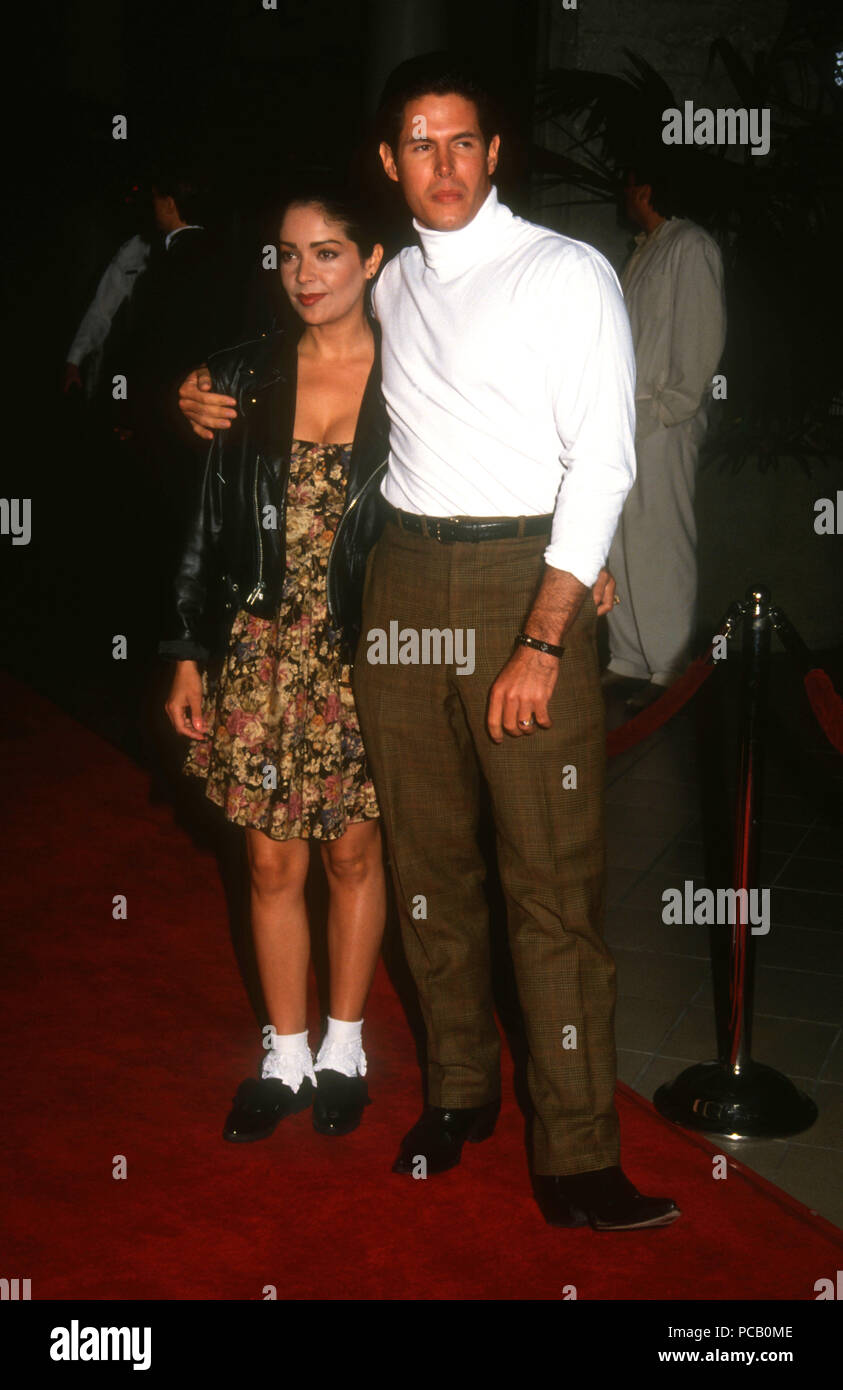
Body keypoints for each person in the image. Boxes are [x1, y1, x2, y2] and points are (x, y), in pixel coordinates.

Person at [178, 56, 680, 1233]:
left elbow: (604, 460)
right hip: (400, 574)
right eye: (419, 142)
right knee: (427, 869)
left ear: (494, 153)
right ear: (391, 163)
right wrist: (193, 393)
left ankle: (579, 1155)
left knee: (549, 887)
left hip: (523, 583)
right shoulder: (392, 279)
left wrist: (548, 627)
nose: (443, 164)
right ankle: (459, 1090)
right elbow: (291, 361)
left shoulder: (567, 273)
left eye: (464, 142)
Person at [160, 188, 390, 1142]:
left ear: (372, 259)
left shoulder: (421, 370)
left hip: (367, 653)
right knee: (266, 861)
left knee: (353, 851)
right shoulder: (242, 377)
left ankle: (345, 1044)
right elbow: (207, 526)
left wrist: (584, 559)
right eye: (289, 256)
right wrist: (183, 649)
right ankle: (285, 1052)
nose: (303, 276)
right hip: (259, 647)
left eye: (327, 253)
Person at [603, 163, 727, 713]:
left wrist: (673, 409)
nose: (624, 197)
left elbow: (701, 330)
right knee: (625, 541)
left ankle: (671, 667)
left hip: (662, 419)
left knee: (663, 542)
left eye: (629, 186)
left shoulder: (690, 244)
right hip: (628, 419)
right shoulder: (645, 249)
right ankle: (630, 658)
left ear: (646, 189)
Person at [62, 231, 150, 400]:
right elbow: (102, 308)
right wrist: (75, 359)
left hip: (170, 372)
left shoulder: (195, 247)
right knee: (118, 404)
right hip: (122, 365)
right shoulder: (136, 247)